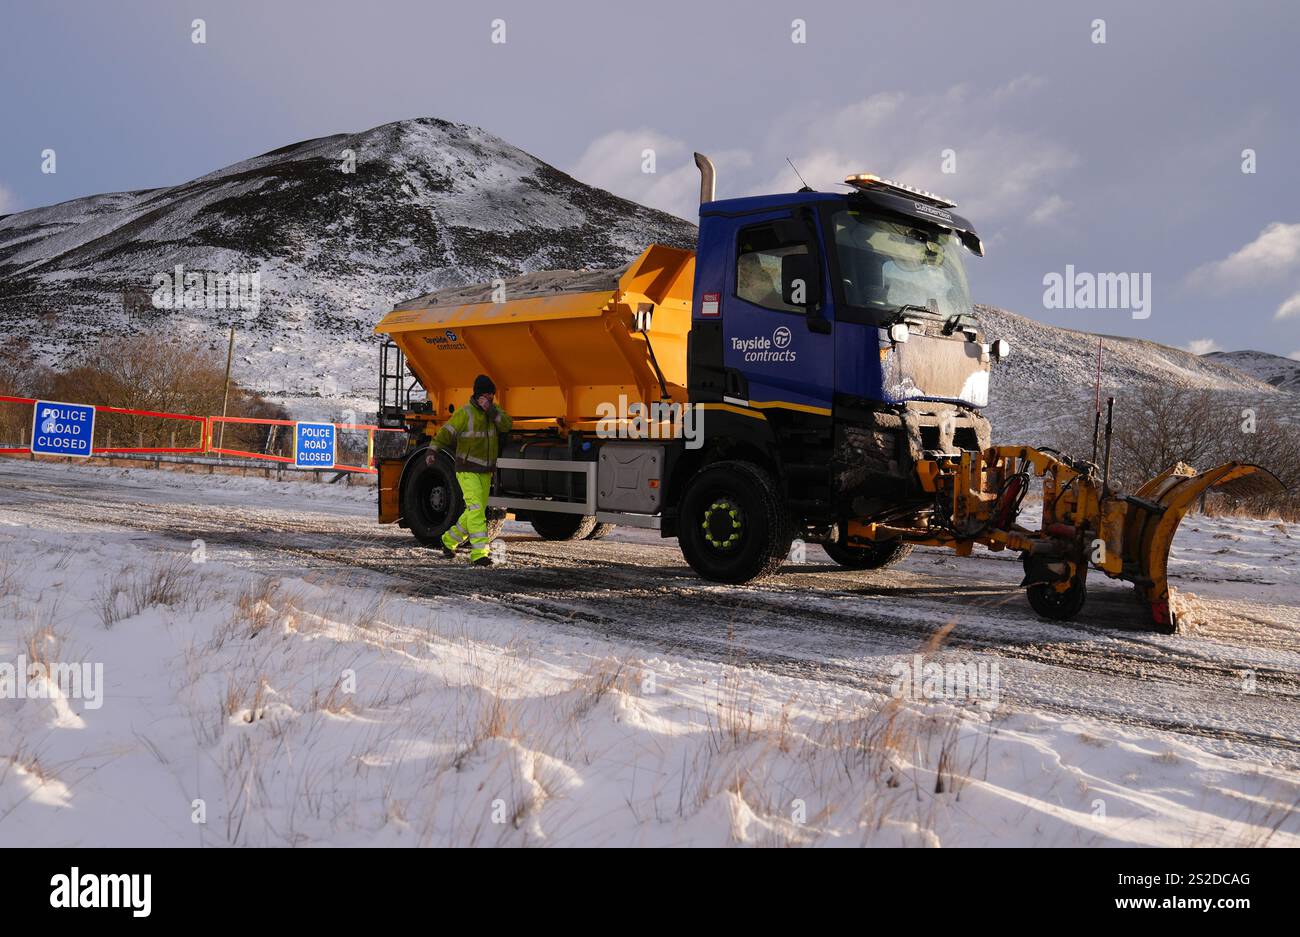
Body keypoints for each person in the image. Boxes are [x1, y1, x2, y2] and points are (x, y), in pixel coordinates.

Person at [428, 374, 511, 566]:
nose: (490, 399)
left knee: (475, 511)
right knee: (476, 511)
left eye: (492, 396)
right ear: (478, 395)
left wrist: (491, 411)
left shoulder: (493, 412)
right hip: (466, 470)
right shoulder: (465, 413)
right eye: (487, 395)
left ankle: (448, 540)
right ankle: (479, 553)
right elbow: (446, 432)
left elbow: (507, 424)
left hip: (485, 471)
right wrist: (433, 450)